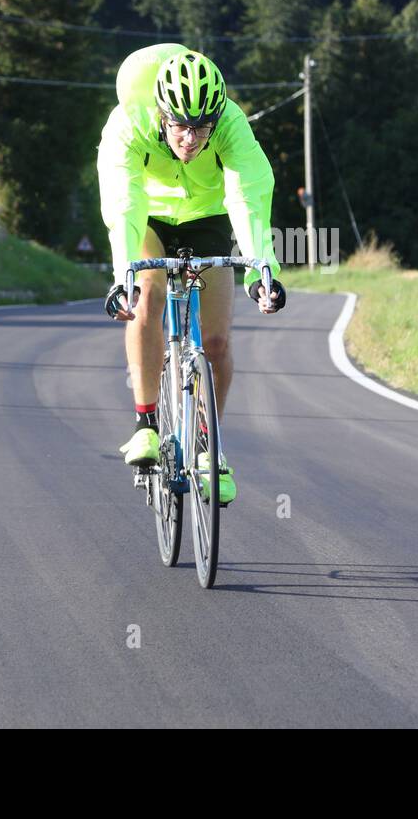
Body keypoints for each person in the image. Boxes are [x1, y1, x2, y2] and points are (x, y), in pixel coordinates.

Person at [97, 44, 286, 504]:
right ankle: (146, 424)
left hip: (208, 216)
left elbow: (250, 195)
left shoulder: (231, 125)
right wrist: (123, 273)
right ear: (161, 114)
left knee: (217, 342)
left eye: (201, 127)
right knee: (149, 296)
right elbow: (123, 202)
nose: (190, 138)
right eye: (180, 125)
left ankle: (208, 446)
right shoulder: (129, 123)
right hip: (150, 215)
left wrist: (264, 269)